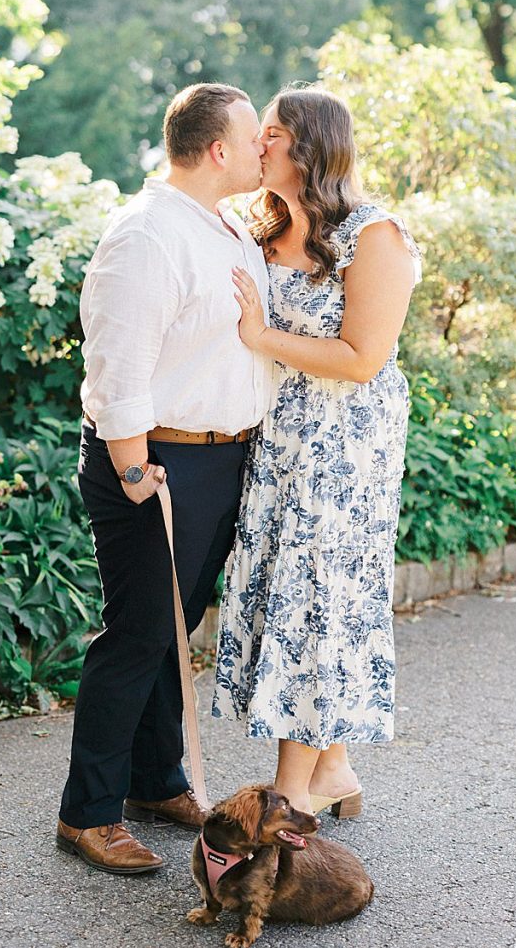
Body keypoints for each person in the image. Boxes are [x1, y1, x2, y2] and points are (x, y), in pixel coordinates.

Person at [58, 83, 270, 874]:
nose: (262, 153)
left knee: (170, 633)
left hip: (219, 458)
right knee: (138, 633)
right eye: (253, 142)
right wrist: (132, 466)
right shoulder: (147, 234)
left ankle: (156, 780)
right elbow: (118, 360)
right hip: (154, 462)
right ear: (218, 150)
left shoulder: (224, 228)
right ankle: (88, 812)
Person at [210, 87, 421, 819]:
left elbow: (364, 357)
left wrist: (263, 339)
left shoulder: (375, 234)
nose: (256, 144)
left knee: (314, 594)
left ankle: (292, 790)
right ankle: (333, 769)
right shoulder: (260, 230)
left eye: (270, 134)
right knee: (285, 588)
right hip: (277, 438)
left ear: (309, 147)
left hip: (344, 449)